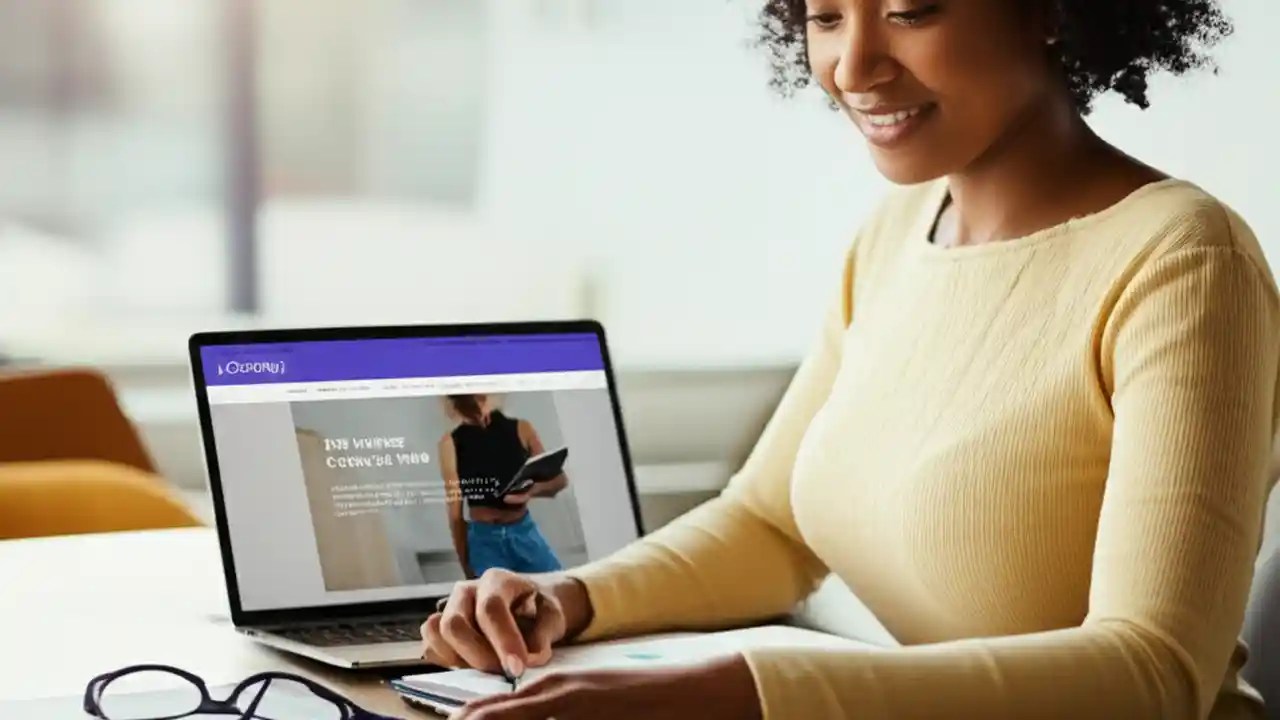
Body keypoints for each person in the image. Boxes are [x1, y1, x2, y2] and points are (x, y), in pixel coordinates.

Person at [421, 1, 1279, 718]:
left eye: (909, 12)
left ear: (1049, 10)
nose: (852, 65)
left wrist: (745, 692)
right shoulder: (899, 233)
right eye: (826, 16)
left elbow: (1153, 670)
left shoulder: (1186, 264)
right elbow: (771, 524)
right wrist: (568, 601)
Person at [438, 394, 569, 579]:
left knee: (557, 589)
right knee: (497, 604)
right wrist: (467, 566)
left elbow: (559, 480)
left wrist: (530, 491)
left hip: (523, 532)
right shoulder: (450, 442)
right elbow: (455, 514)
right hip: (485, 540)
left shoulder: (522, 428)